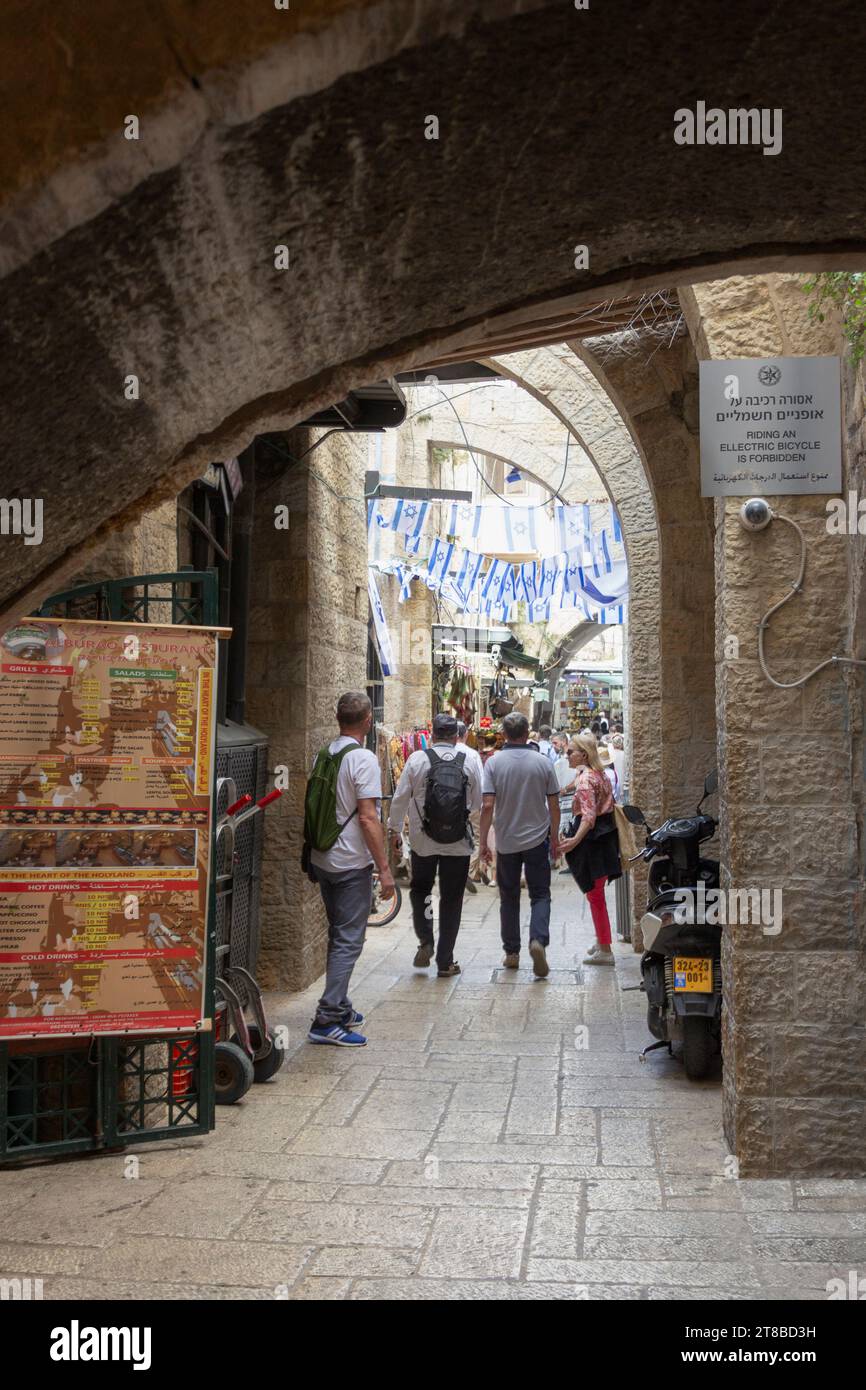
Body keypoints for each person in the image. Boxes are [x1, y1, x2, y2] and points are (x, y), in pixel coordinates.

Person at [308, 691, 395, 1046]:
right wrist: (384, 867)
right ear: (368, 721)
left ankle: (341, 1005)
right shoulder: (363, 759)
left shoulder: (324, 754)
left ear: (338, 718)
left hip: (322, 857)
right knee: (349, 939)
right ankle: (327, 1020)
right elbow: (368, 816)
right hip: (349, 862)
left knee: (337, 932)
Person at [388, 712, 482, 977]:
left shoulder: (417, 759)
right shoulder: (470, 760)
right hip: (457, 843)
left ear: (431, 734)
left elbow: (400, 798)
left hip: (423, 841)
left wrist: (394, 829)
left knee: (422, 891)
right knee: (452, 899)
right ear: (455, 736)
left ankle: (426, 939)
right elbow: (476, 803)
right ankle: (445, 960)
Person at [480, 711, 560, 978]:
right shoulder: (543, 762)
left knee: (509, 898)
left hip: (506, 840)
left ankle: (512, 953)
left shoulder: (493, 763)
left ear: (503, 734)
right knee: (540, 894)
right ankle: (538, 939)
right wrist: (556, 838)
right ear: (528, 733)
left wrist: (483, 842)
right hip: (537, 839)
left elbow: (488, 805)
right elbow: (554, 804)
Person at [559, 733, 622, 966]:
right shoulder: (598, 774)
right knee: (596, 894)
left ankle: (605, 949)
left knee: (595, 895)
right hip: (604, 838)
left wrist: (574, 840)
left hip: (592, 841)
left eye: (570, 752)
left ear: (583, 755)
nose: (566, 755)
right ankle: (601, 940)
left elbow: (588, 817)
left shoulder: (586, 780)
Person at [457, 721, 485, 892]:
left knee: (455, 837)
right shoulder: (472, 754)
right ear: (465, 735)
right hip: (470, 803)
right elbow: (480, 781)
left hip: (448, 805)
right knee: (475, 837)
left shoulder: (437, 754)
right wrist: (478, 805)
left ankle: (455, 870)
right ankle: (467, 871)